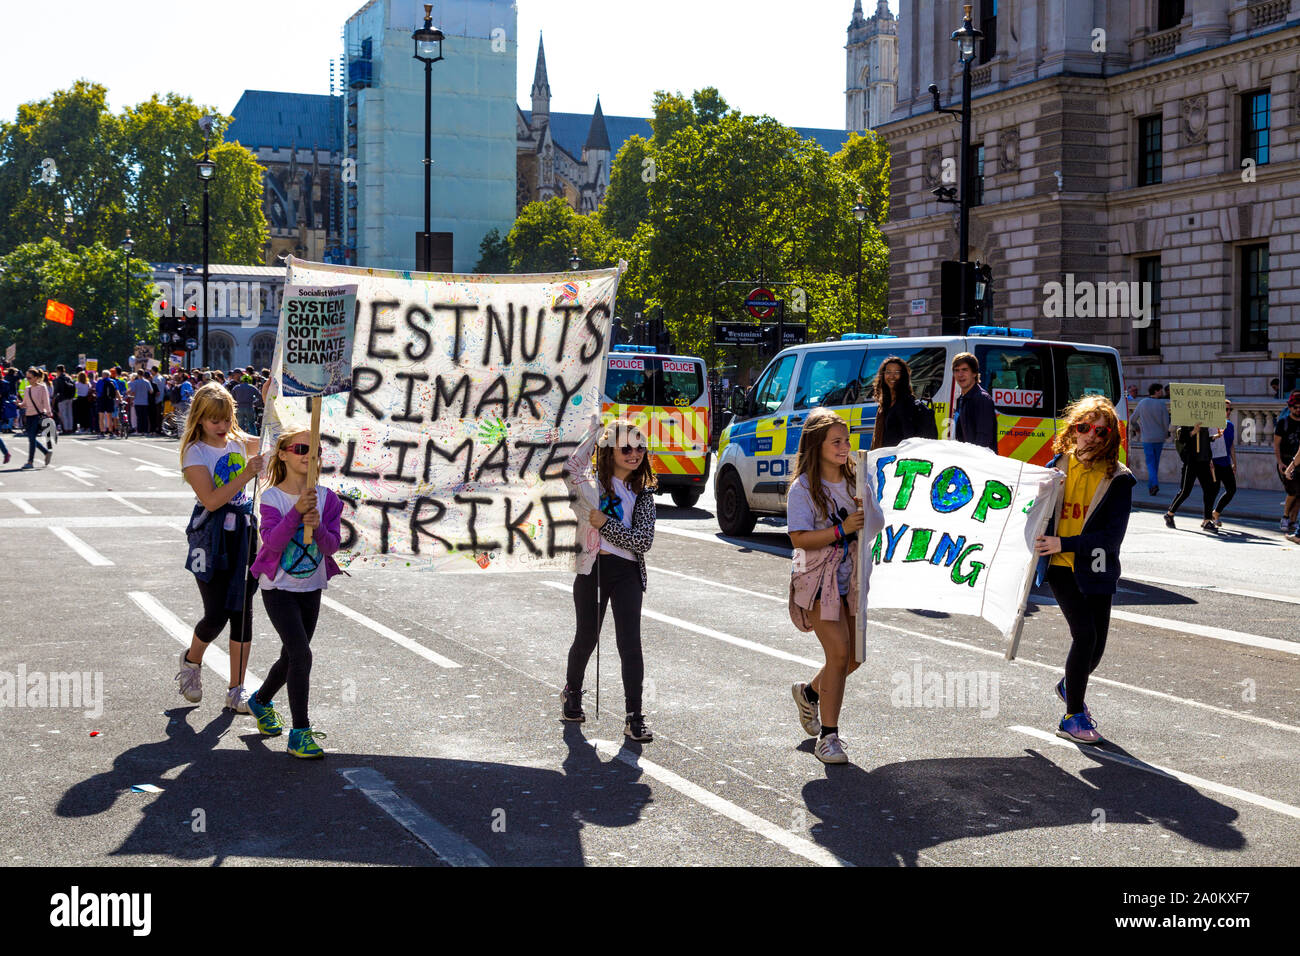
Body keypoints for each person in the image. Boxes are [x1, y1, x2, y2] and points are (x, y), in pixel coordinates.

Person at [1034, 395, 1135, 745]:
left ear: (1111, 436)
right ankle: (1072, 716)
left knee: (1097, 646)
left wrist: (1066, 542)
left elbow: (1111, 536)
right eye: (1084, 427)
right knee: (1085, 635)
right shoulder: (1056, 466)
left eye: (1100, 430)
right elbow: (1034, 512)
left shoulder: (1119, 478)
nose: (1091, 435)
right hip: (1061, 567)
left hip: (1097, 567)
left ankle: (1069, 686)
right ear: (1073, 429)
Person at [786, 407, 883, 765]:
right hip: (816, 582)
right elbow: (798, 538)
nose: (845, 447)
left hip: (852, 579)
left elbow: (875, 524)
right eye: (836, 441)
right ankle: (828, 737)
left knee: (854, 656)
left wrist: (867, 508)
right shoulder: (803, 488)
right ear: (817, 444)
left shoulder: (856, 478)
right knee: (839, 653)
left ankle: (809, 693)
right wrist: (841, 530)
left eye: (847, 440)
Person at [246, 430, 343, 758]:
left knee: (291, 655)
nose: (309, 455)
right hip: (278, 588)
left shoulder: (328, 498)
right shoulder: (272, 498)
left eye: (315, 450)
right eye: (301, 448)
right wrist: (296, 512)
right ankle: (299, 732)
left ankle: (260, 700)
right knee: (302, 655)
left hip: (310, 586)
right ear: (283, 454)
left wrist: (319, 528)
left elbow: (332, 547)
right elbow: (272, 542)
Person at [559, 418, 657, 743]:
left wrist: (606, 525)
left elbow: (642, 540)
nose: (634, 453)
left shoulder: (643, 494)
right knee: (587, 637)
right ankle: (572, 693)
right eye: (625, 447)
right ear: (609, 449)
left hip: (627, 573)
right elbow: (569, 470)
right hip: (593, 571)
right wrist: (594, 434)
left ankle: (635, 716)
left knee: (630, 645)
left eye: (640, 446)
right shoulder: (590, 488)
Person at [177, 382, 265, 713]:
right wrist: (246, 474)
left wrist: (272, 397)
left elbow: (276, 438)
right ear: (199, 419)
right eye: (214, 420)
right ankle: (191, 661)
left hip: (243, 533)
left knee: (242, 615)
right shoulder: (194, 451)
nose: (222, 426)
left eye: (227, 418)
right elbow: (212, 500)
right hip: (211, 536)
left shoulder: (240, 442)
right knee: (215, 615)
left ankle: (236, 690)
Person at [869, 356, 938, 449]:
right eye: (888, 372)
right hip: (884, 457)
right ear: (883, 375)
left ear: (903, 376)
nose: (892, 376)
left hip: (898, 459)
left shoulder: (907, 404)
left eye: (897, 372)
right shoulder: (885, 404)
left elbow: (909, 439)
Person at [1164, 424, 1216, 531]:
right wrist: (1193, 432)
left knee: (1209, 489)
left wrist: (1213, 438)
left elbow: (1204, 441)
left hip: (1204, 461)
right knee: (1185, 491)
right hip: (1192, 462)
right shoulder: (1187, 423)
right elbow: (1182, 439)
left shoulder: (1205, 424)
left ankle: (1207, 520)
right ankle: (1170, 514)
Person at [951, 351, 998, 452]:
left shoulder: (982, 399)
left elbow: (983, 439)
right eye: (956, 370)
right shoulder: (962, 399)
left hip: (979, 461)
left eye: (964, 370)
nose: (960, 374)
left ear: (974, 373)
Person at [1131, 383, 1170, 496]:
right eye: (1161, 390)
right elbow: (1165, 422)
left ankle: (1153, 485)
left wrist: (1138, 428)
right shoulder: (1161, 404)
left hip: (1147, 438)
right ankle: (1152, 485)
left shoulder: (1142, 402)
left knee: (1150, 463)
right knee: (1155, 463)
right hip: (1159, 438)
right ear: (1156, 391)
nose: (1162, 392)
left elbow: (1133, 419)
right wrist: (1165, 434)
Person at [1274, 391, 1300, 538]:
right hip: (1286, 461)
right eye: (1295, 407)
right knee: (1292, 491)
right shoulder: (1283, 423)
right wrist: (1279, 462)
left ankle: (1293, 520)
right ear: (1290, 407)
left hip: (1299, 461)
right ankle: (1285, 517)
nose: (1298, 409)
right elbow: (1276, 444)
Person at [1209, 399, 1237, 528]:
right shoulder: (1211, 425)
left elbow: (1231, 444)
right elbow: (1207, 444)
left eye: (1230, 409)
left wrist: (1234, 462)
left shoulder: (1230, 425)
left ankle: (1216, 512)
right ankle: (1208, 517)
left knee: (1231, 489)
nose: (1228, 411)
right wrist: (1209, 461)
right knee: (1213, 490)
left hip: (1225, 462)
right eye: (1226, 409)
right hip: (1214, 463)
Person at [20, 367, 54, 468]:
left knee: (31, 439)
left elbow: (46, 401)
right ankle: (46, 452)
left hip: (37, 416)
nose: (28, 380)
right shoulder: (27, 389)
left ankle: (30, 462)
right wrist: (19, 404)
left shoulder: (42, 387)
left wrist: (49, 412)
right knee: (31, 438)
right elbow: (25, 403)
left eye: (29, 378)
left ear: (35, 378)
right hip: (28, 416)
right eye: (27, 378)